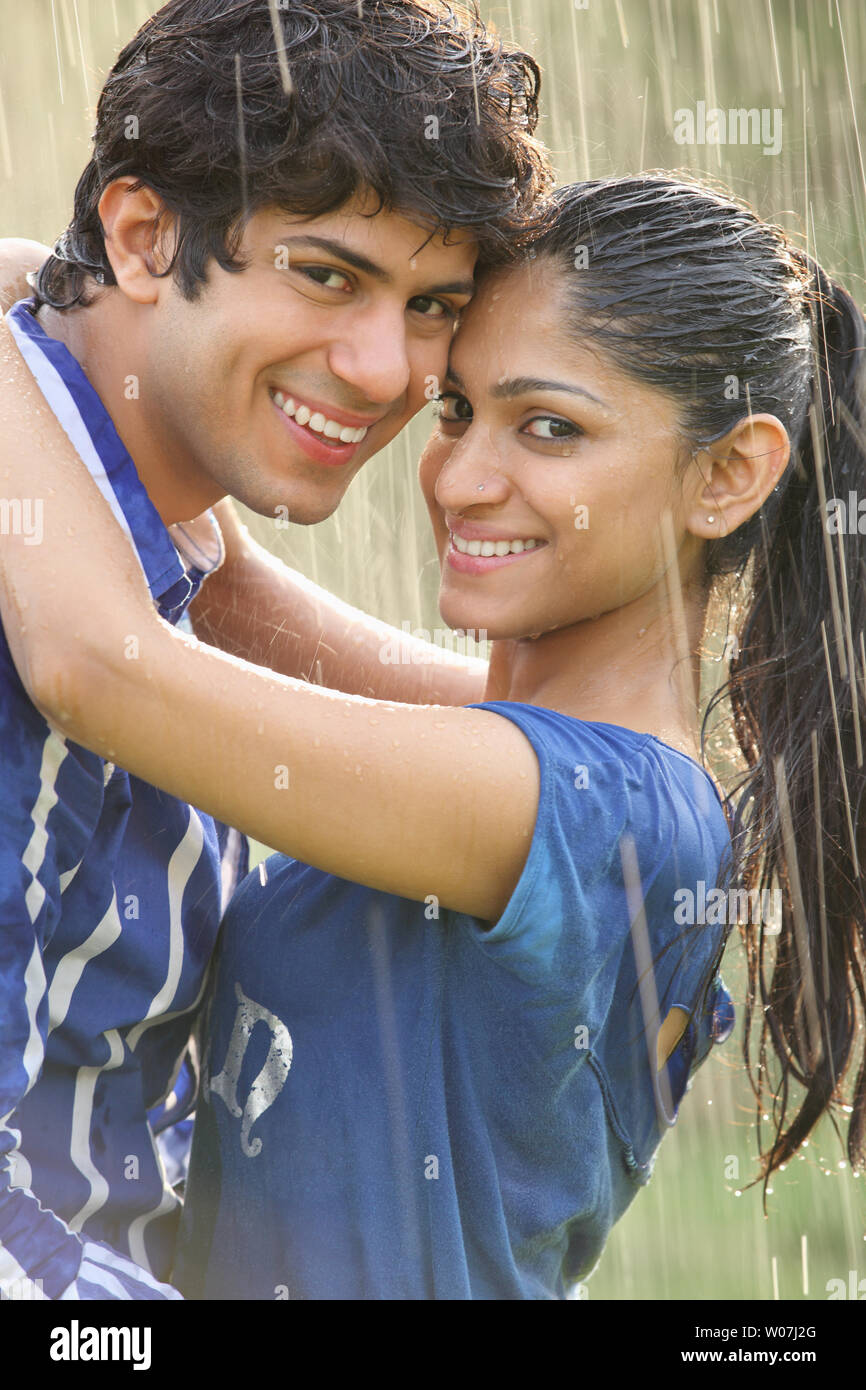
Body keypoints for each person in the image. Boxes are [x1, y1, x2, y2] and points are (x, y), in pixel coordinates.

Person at [8, 169, 863, 1300]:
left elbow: (99, 670)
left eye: (549, 428)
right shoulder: (525, 755)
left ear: (726, 474)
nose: (458, 477)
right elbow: (229, 594)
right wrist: (74, 290)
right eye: (456, 408)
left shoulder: (594, 813)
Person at [0, 0, 550, 1301]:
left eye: (433, 305)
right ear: (144, 237)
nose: (378, 368)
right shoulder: (37, 588)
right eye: (324, 273)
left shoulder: (146, 532)